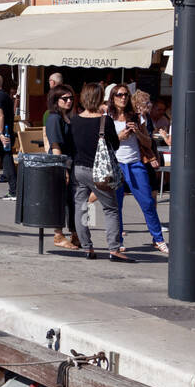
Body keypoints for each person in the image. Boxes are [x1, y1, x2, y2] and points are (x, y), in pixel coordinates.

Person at [70, 83, 129, 261]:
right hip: (99, 172)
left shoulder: (75, 120)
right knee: (110, 209)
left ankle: (87, 248)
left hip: (79, 169)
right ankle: (114, 249)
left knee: (81, 207)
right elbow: (115, 145)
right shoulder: (105, 121)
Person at [108, 84, 168, 254]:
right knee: (116, 205)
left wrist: (137, 133)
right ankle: (117, 239)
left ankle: (158, 239)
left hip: (135, 163)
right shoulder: (107, 117)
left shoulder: (136, 117)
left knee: (148, 202)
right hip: (116, 163)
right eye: (119, 95)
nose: (123, 97)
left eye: (126, 94)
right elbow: (105, 142)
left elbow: (148, 143)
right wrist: (120, 136)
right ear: (113, 97)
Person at [44, 83, 80, 251]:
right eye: (64, 98)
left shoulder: (68, 117)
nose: (69, 101)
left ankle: (75, 232)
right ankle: (58, 234)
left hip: (73, 162)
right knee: (62, 200)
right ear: (55, 100)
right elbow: (55, 145)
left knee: (73, 200)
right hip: (62, 163)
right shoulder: (54, 118)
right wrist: (62, 169)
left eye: (71, 98)